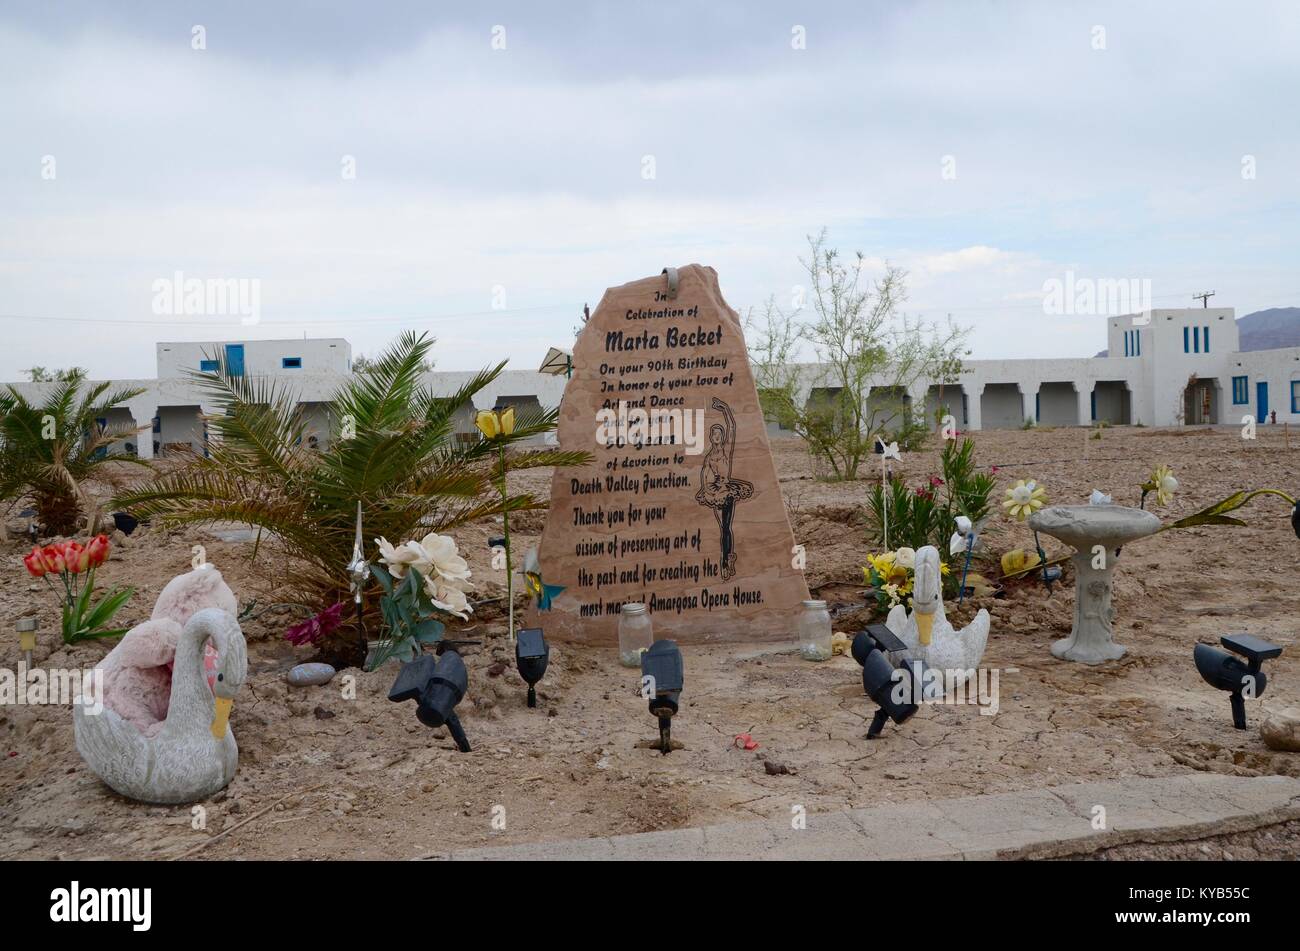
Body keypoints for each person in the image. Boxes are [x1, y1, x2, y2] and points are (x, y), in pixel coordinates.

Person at [695, 398, 754, 580]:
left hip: (727, 491)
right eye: (714, 435)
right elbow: (704, 474)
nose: (717, 437)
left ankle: (726, 562)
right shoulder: (709, 456)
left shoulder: (726, 450)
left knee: (726, 528)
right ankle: (729, 558)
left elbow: (732, 426)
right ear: (711, 438)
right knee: (722, 529)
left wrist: (725, 408)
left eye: (719, 434)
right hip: (714, 493)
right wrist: (706, 490)